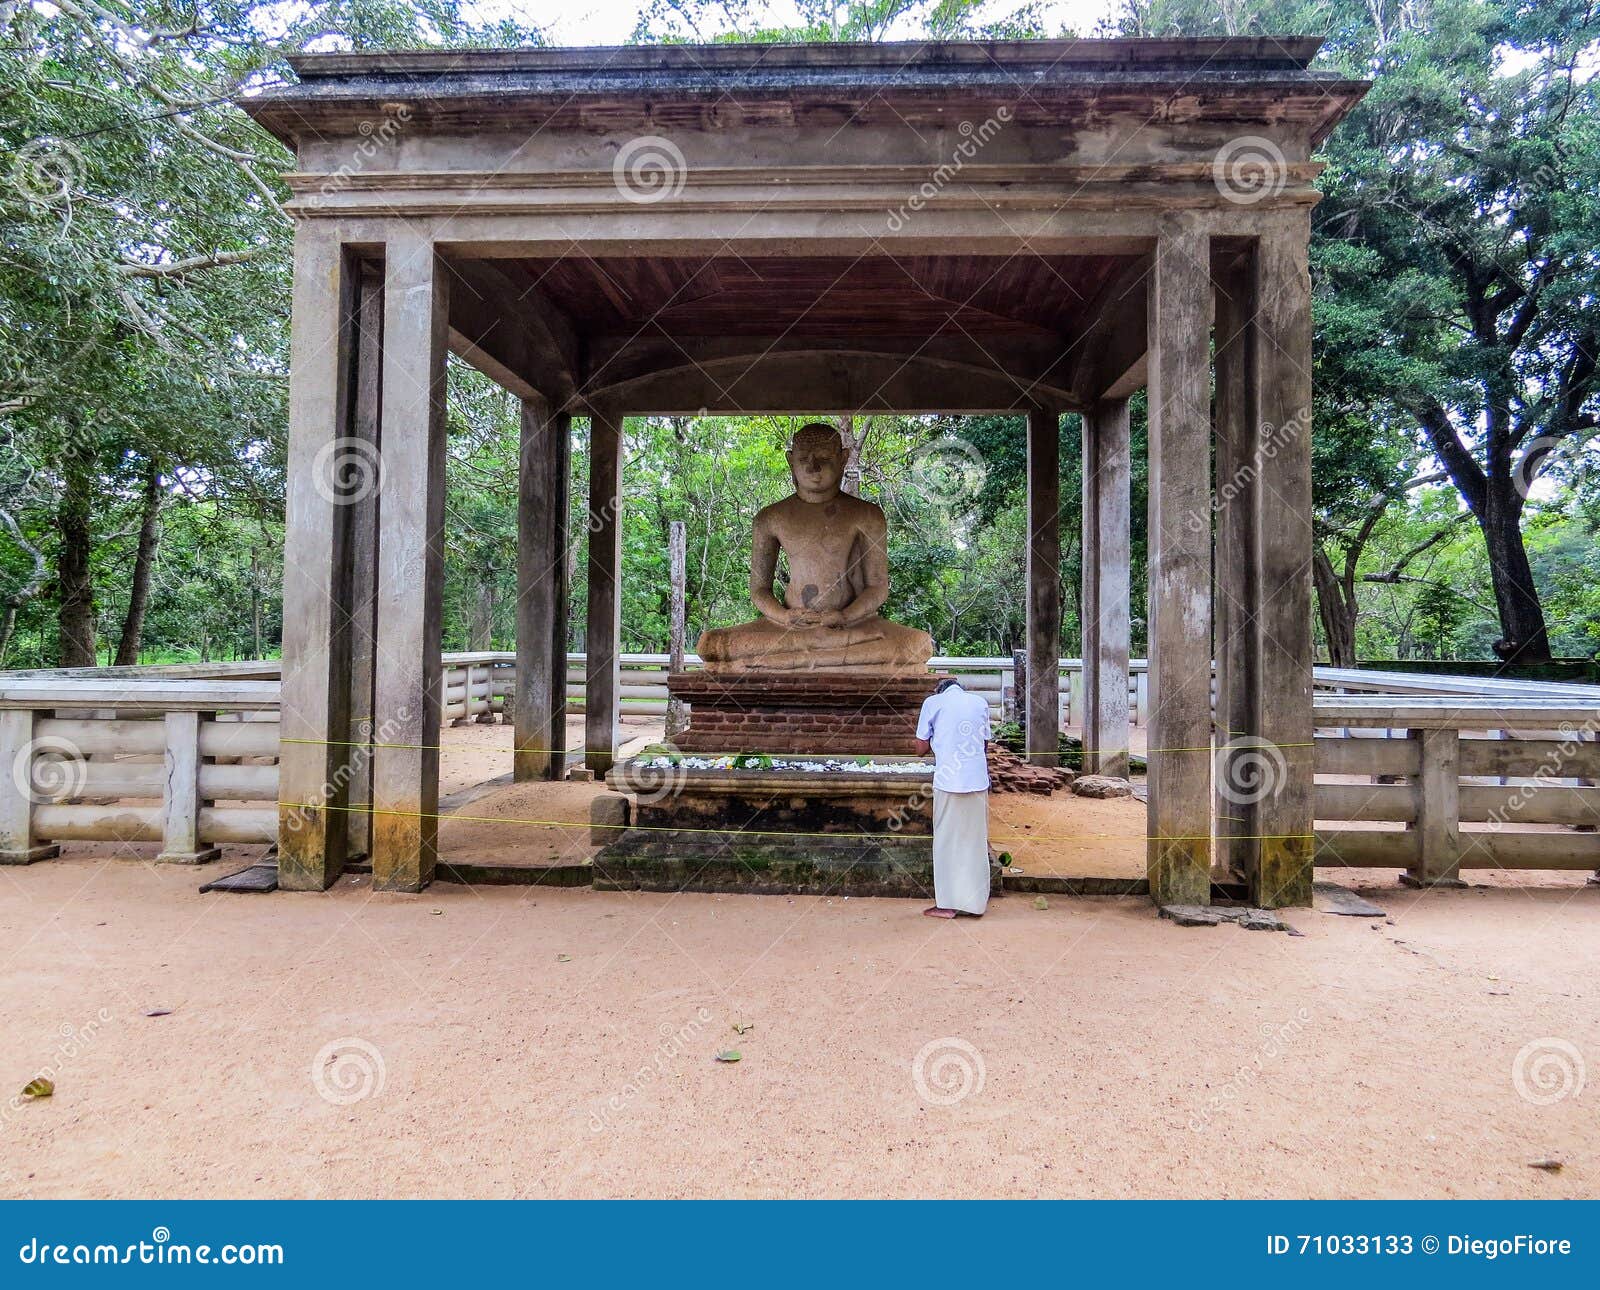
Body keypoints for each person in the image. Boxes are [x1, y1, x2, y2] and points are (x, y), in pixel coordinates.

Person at [914, 677, 993, 918]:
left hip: (948, 781)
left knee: (947, 842)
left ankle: (947, 905)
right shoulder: (980, 702)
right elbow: (985, 743)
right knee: (975, 842)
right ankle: (977, 903)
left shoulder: (932, 703)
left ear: (939, 690)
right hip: (977, 780)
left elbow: (920, 749)